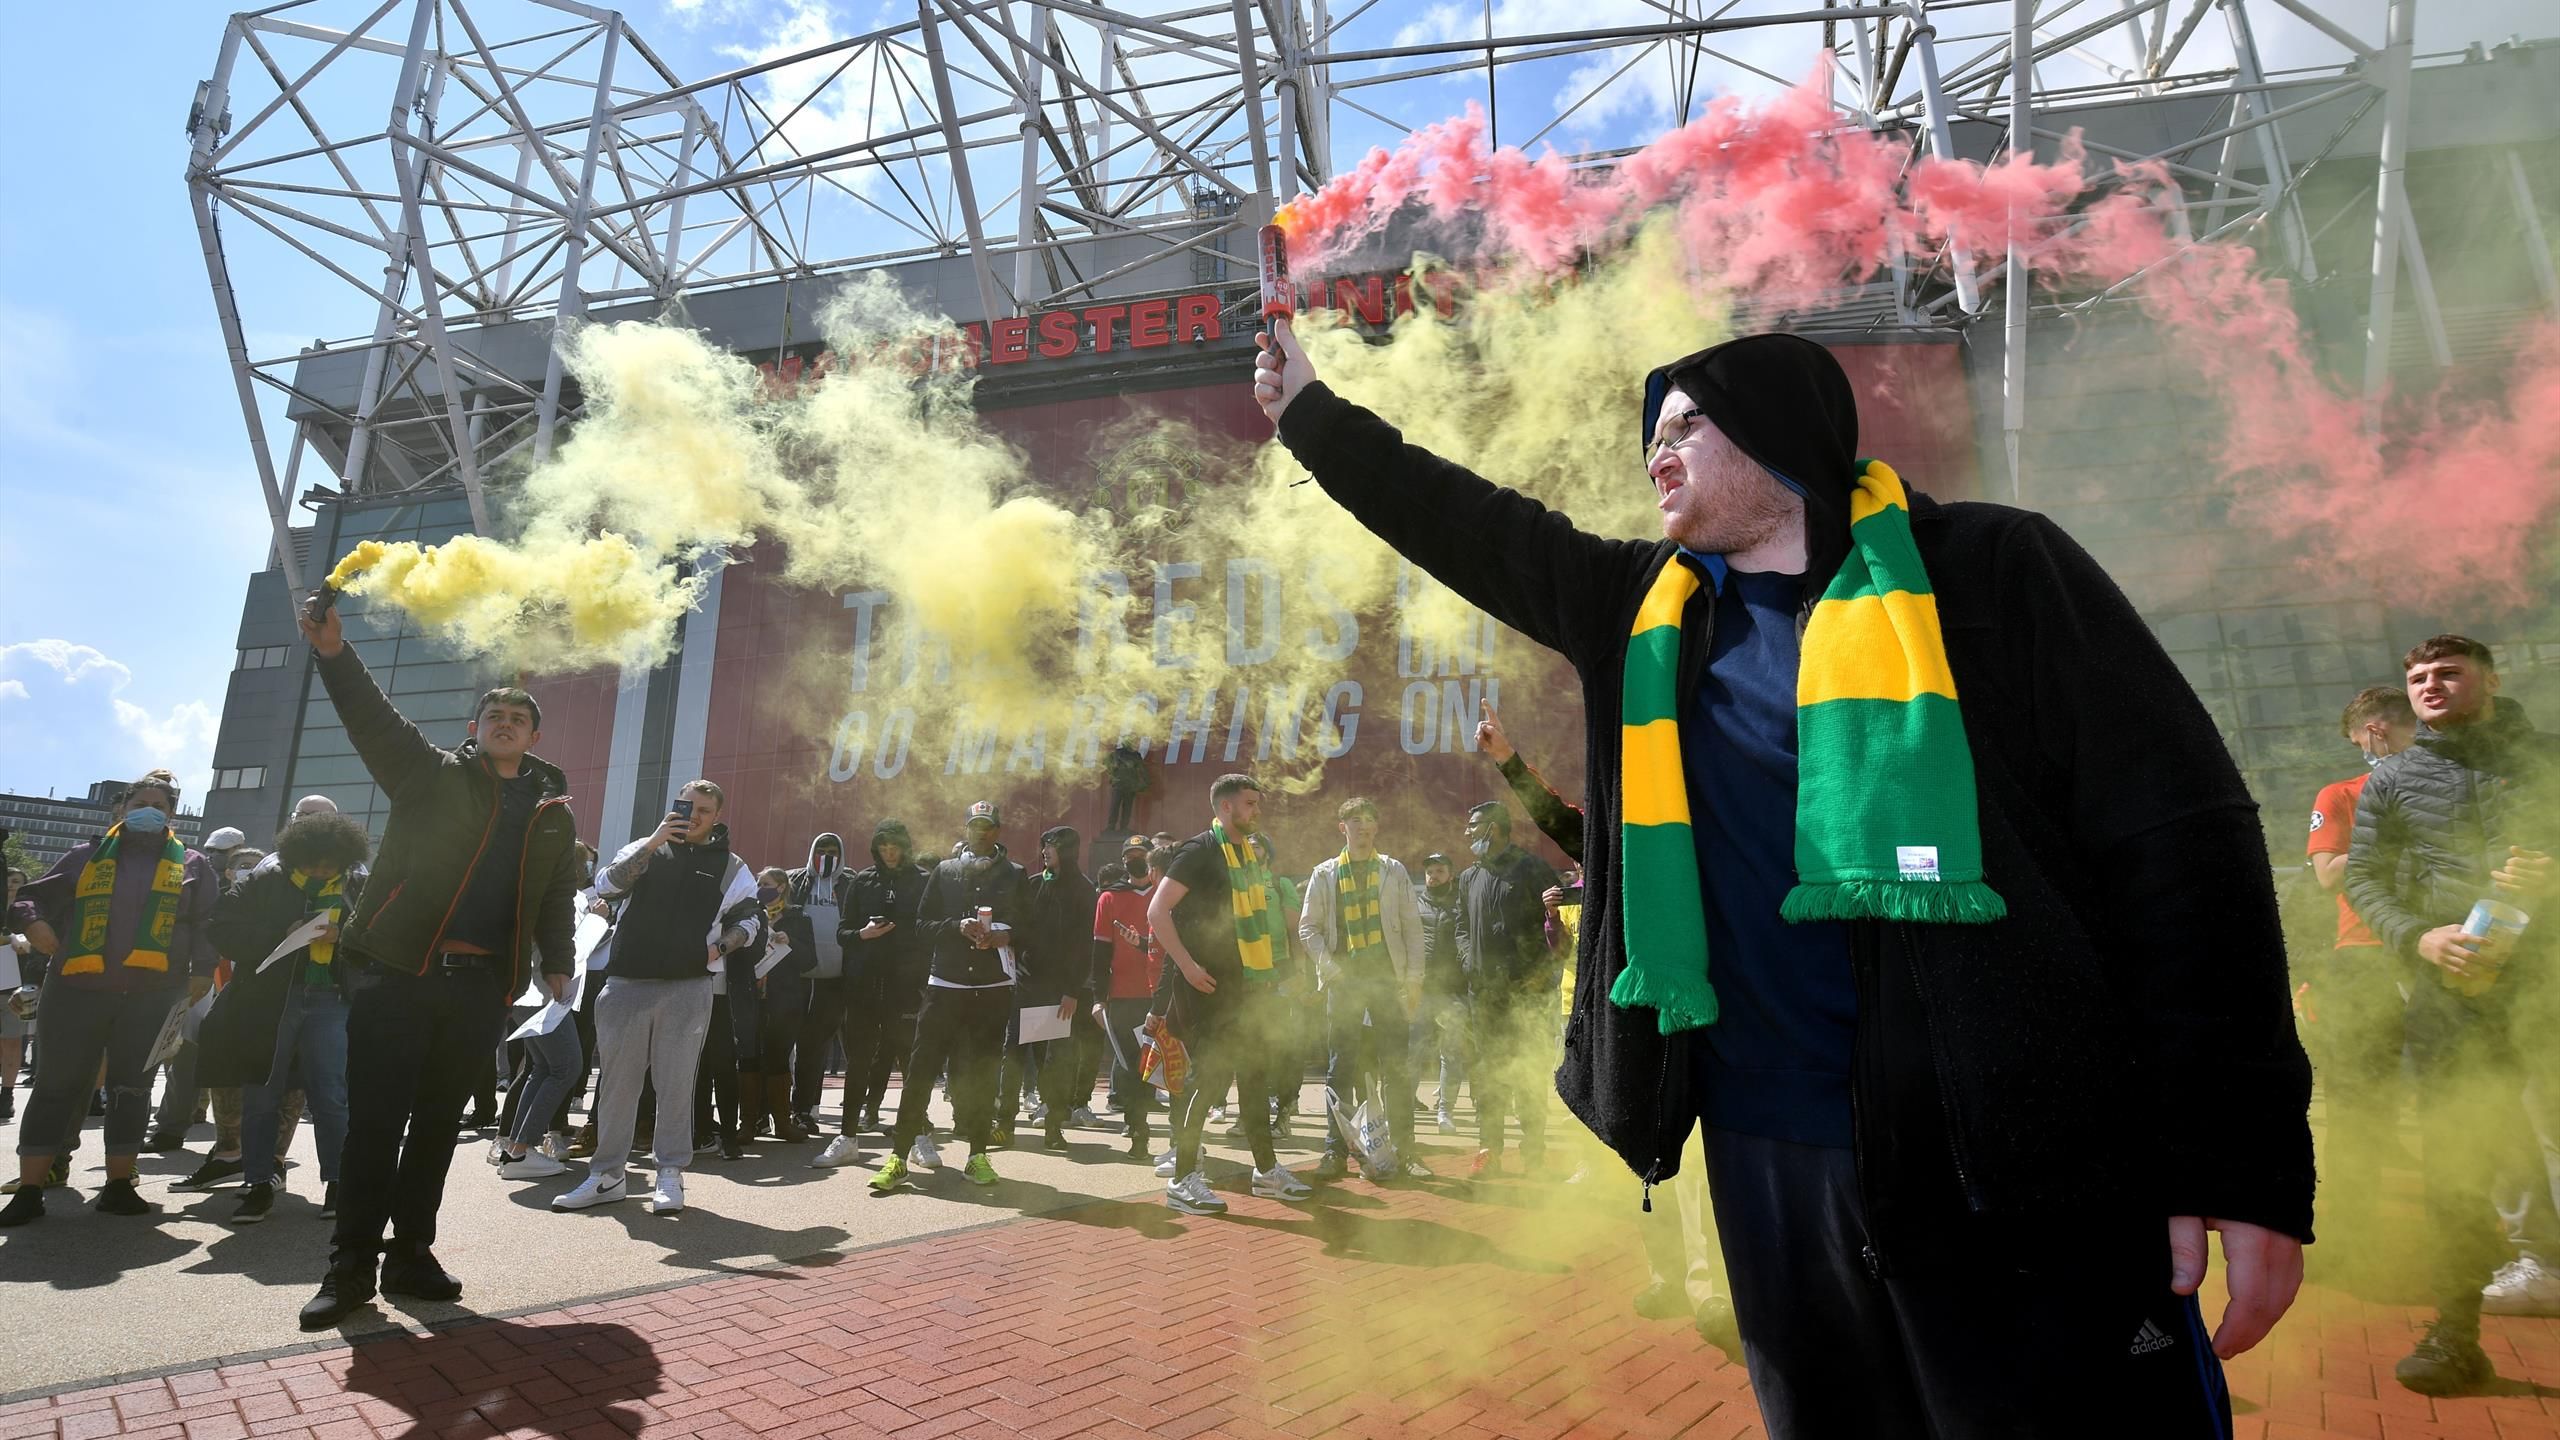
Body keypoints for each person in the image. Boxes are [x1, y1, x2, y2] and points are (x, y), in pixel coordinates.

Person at [1254, 323, 2309, 1433]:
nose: (1656, 454)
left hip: (2018, 1151)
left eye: (1686, 426)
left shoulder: (1994, 569)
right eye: (1648, 436)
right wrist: (1311, 413)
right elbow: (1462, 521)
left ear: (1783, 430)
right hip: (1764, 1155)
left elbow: (2182, 849)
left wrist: (2233, 1159)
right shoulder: (1638, 611)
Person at [290, 602, 581, 1331]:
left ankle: (411, 1256)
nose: (506, 721)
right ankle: (349, 1266)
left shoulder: (553, 814)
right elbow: (373, 720)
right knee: (375, 1126)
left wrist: (560, 963)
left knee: (437, 1129)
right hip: (400, 975)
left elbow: (553, 897)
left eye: (519, 715)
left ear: (536, 735)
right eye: (494, 713)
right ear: (475, 728)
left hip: (481, 989)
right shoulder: (429, 775)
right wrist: (334, 654)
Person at [2345, 635, 2560, 1393]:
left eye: (2447, 672)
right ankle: (2455, 1333)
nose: (2429, 685)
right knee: (2455, 1154)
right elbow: (2364, 880)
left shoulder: (2550, 755)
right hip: (2454, 981)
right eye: (2417, 677)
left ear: (2491, 679)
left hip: (2551, 976)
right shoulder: (2393, 778)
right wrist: (2421, 936)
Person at [1, 771, 220, 1225]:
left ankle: (119, 1183)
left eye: (159, 806)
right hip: (76, 990)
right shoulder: (85, 855)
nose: (148, 810)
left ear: (172, 815)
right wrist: (34, 924)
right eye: (140, 802)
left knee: (132, 1088)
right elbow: (30, 901)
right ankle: (29, 1189)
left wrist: (202, 972)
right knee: (55, 1086)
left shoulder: (194, 864)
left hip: (153, 993)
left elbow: (207, 924)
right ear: (121, 808)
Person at [554, 781, 761, 1215]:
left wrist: (718, 948)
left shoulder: (732, 865)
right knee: (616, 1084)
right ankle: (607, 1175)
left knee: (675, 1085)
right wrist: (652, 843)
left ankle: (670, 1173)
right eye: (688, 806)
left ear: (717, 816)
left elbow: (750, 918)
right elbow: (606, 886)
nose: (695, 815)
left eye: (705, 809)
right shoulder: (644, 848)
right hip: (627, 980)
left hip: (688, 986)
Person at [1148, 775, 1309, 1214]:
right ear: (1225, 809)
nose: (1257, 811)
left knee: (1256, 1077)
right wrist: (1187, 965)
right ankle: (1183, 1179)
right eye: (1250, 804)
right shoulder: (1200, 851)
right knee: (1210, 1078)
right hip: (1210, 987)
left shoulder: (1245, 853)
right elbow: (1157, 911)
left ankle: (1266, 1171)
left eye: (1258, 803)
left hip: (1250, 986)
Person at [200, 811, 372, 1223]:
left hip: (331, 998)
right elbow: (221, 927)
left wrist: (343, 932)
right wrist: (282, 933)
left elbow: (384, 934)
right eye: (312, 863)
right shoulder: (265, 880)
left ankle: (338, 1183)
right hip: (270, 1002)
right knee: (261, 1091)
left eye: (329, 864)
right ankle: (258, 1182)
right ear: (296, 855)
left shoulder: (358, 886)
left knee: (331, 1093)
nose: (320, 871)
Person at [2301, 686, 2420, 1269]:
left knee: (2460, 1098)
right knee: (2359, 1105)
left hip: (2446, 954)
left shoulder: (2456, 782)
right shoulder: (2343, 794)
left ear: (2374, 729)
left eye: (2359, 740)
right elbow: (2327, 875)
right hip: (2365, 957)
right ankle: (2351, 1236)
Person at [870, 803, 1026, 1193]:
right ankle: (899, 1156)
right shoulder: (944, 871)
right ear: (967, 829)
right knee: (920, 1071)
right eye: (975, 826)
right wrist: (957, 926)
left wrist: (1006, 935)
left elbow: (1031, 928)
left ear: (998, 831)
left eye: (988, 827)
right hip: (946, 986)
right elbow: (920, 926)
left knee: (982, 1075)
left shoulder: (1015, 874)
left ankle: (977, 1156)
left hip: (992, 988)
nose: (981, 833)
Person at [1300, 797, 1428, 1182]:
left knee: (1397, 1067)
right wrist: (1331, 969)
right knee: (1341, 1066)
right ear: (1343, 827)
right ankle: (1335, 1151)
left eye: (1370, 820)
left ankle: (1406, 1151)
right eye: (1355, 821)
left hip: (1387, 980)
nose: (1364, 827)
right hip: (1346, 982)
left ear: (1377, 827)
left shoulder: (1393, 871)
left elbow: (1411, 927)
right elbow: (1308, 928)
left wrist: (1413, 979)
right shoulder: (1324, 874)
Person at [810, 822, 928, 1169]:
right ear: (876, 848)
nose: (889, 852)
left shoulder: (921, 880)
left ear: (905, 846)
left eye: (895, 846)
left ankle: (918, 1137)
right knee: (858, 1060)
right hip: (864, 986)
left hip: (905, 987)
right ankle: (847, 1137)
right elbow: (843, 932)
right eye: (883, 846)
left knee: (910, 1061)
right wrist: (864, 933)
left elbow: (930, 930)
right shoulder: (862, 880)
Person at [1455, 801, 1562, 1178]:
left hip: (1527, 996)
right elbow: (1461, 927)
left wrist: (1534, 976)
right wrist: (1469, 959)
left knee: (1529, 1075)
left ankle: (1534, 1152)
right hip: (1483, 996)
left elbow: (1557, 925)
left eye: (1473, 825)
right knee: (1489, 1076)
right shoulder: (1469, 876)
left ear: (1495, 829)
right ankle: (1490, 1152)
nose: (1467, 832)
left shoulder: (1531, 869)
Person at [1016, 827, 1098, 1152]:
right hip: (1030, 983)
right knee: (1036, 1052)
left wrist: (1072, 989)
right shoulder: (1034, 884)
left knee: (1057, 1057)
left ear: (1068, 850)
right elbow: (1020, 930)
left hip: (1062, 989)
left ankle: (1054, 1126)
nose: (1046, 851)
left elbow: (1083, 946)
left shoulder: (1082, 889)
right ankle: (1032, 1110)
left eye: (1052, 846)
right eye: (1044, 845)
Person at [1092, 845, 1167, 1160]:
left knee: (1163, 1066)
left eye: (1139, 855)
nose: (1133, 861)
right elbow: (1100, 952)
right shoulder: (1108, 898)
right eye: (1127, 857)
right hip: (1122, 996)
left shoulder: (1167, 895)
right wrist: (1098, 998)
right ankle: (1138, 1131)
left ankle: (1182, 1140)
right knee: (1131, 1067)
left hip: (1161, 995)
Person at [786, 832, 849, 1138]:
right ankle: (781, 1109)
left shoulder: (851, 884)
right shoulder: (795, 881)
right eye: (821, 849)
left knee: (815, 1045)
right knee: (788, 1043)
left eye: (833, 850)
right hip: (797, 975)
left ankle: (805, 1108)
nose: (827, 855)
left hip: (835, 978)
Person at [745, 864, 812, 1145]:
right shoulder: (750, 916)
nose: (762, 888)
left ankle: (782, 1122)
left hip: (785, 1001)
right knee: (748, 1058)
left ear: (782, 886)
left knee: (778, 1056)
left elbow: (811, 961)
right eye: (759, 883)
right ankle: (748, 1122)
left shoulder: (798, 919)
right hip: (751, 999)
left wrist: (791, 942)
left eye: (768, 883)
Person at [1412, 853, 1466, 1134]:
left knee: (1452, 1053)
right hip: (1420, 991)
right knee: (1413, 1050)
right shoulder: (1414, 905)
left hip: (1452, 992)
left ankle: (1445, 1111)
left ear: (1450, 875)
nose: (1434, 876)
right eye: (1430, 871)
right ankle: (1406, 1104)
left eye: (1440, 871)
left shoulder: (1460, 905)